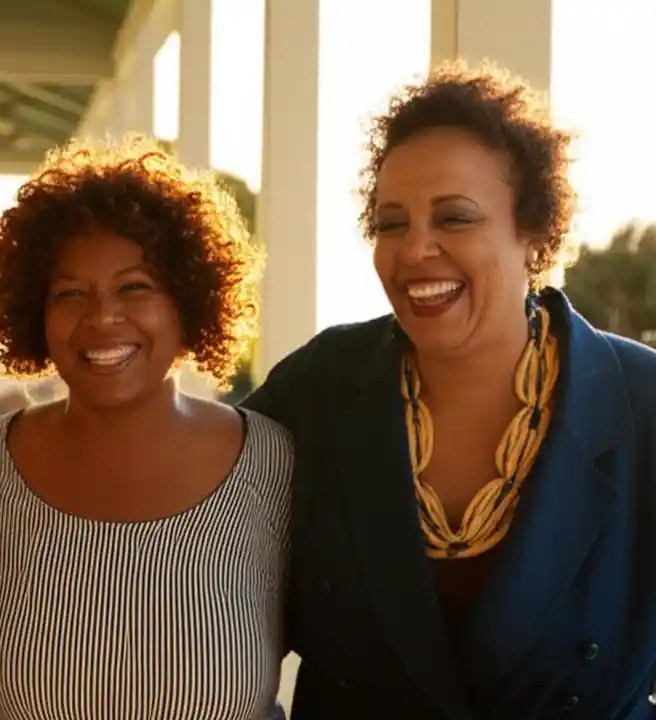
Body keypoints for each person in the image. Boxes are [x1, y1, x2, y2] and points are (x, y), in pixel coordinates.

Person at [242, 63, 656, 718]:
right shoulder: (317, 389)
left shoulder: (643, 405)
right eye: (391, 224)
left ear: (533, 232)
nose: (414, 251)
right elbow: (202, 570)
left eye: (455, 219)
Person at [0, 138, 293, 719]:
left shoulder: (269, 462)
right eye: (69, 293)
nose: (103, 317)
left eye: (135, 287)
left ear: (189, 300)